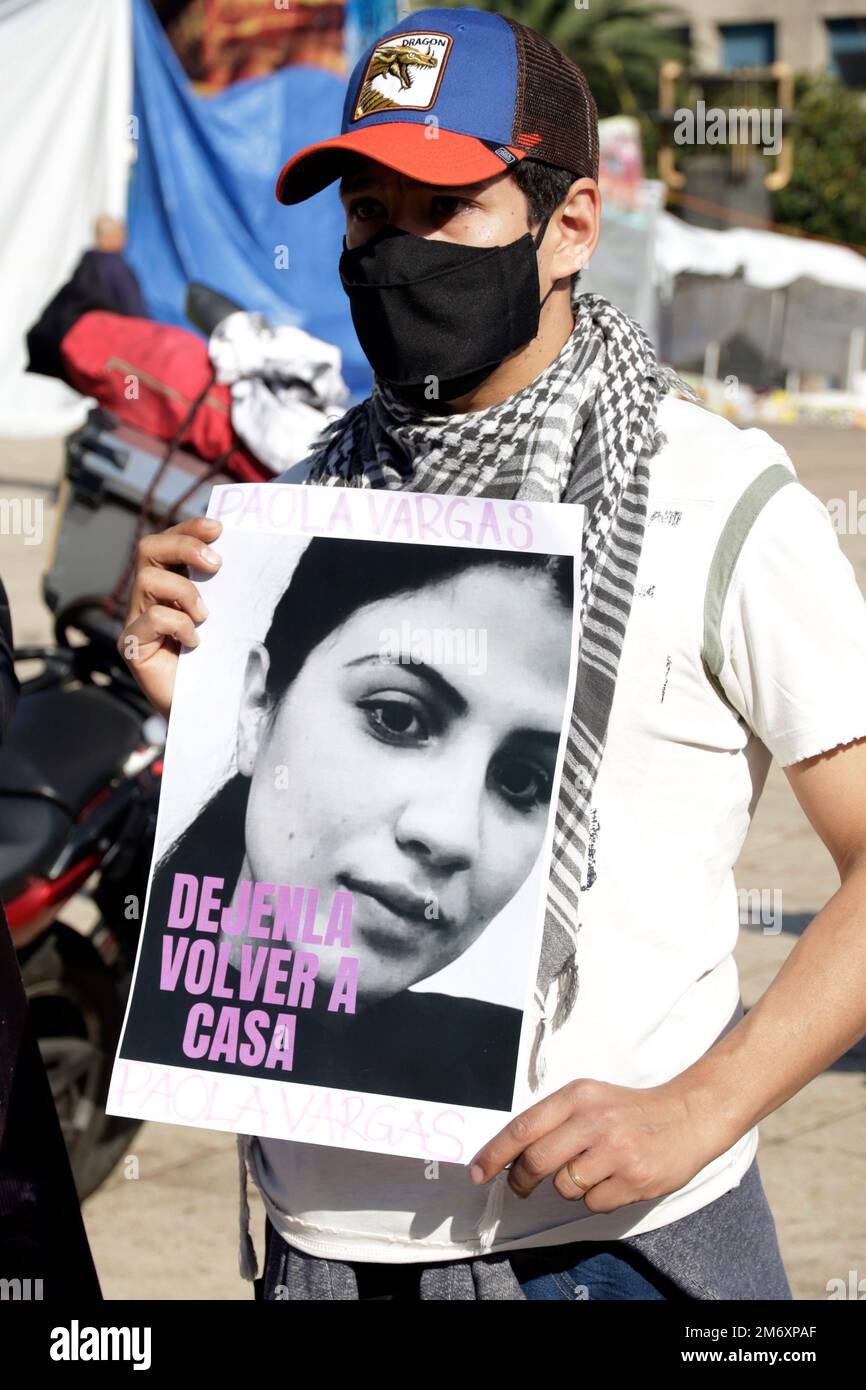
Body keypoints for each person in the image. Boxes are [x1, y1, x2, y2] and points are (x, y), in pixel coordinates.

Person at [119, 6, 866, 1302]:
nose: (396, 253)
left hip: (601, 1256)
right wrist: (201, 699)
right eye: (368, 210)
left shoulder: (713, 496)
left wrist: (699, 1104)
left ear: (569, 225)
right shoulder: (301, 512)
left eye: (445, 207)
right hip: (317, 1257)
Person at [118, 537, 574, 1110]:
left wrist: (704, 1104)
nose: (451, 834)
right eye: (396, 716)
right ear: (257, 704)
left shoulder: (532, 1067)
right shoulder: (82, 1004)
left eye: (522, 781)